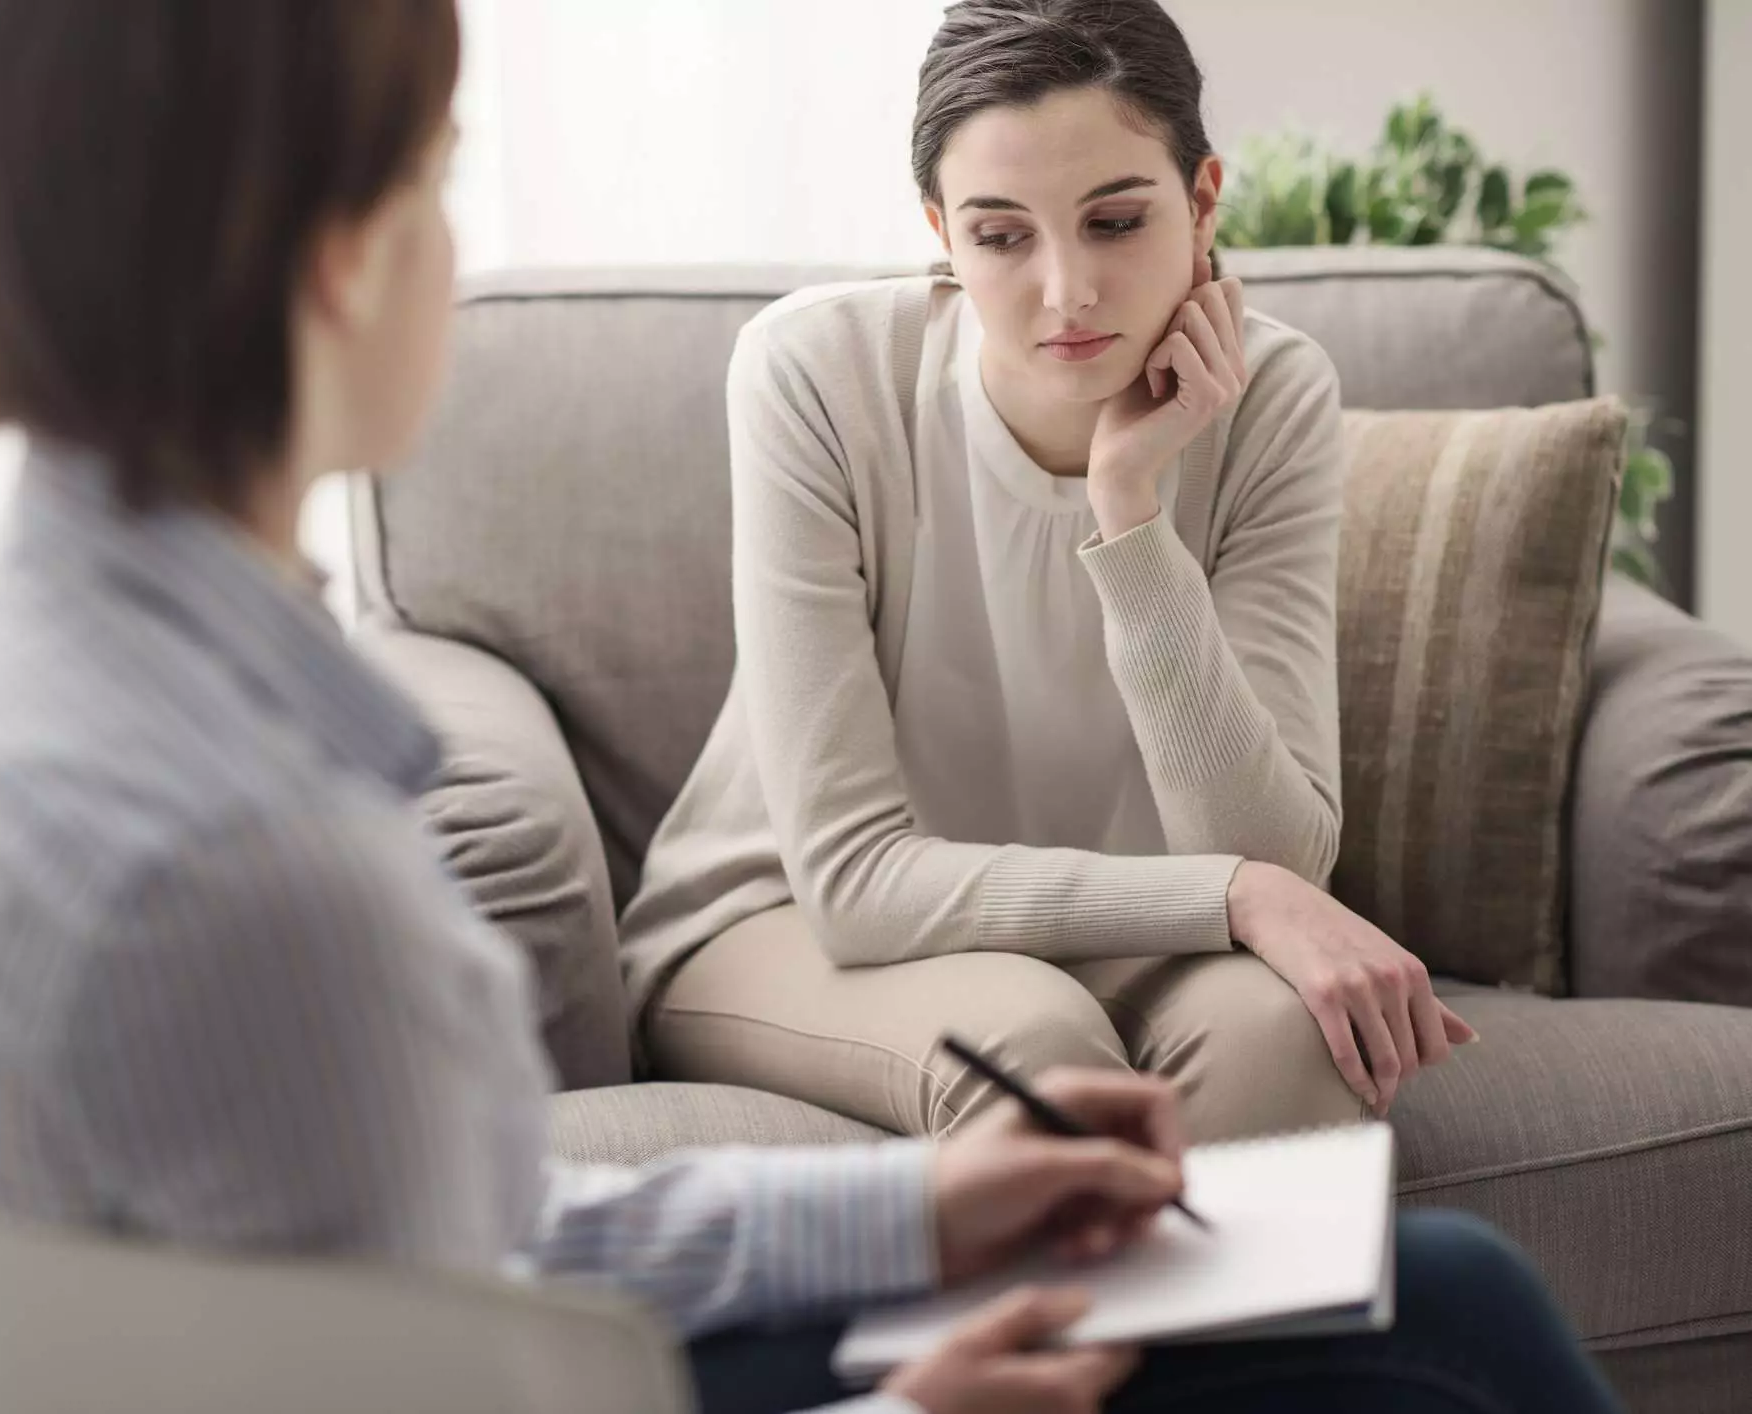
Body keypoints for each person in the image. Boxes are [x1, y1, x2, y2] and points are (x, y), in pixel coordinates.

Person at [0, 2, 1624, 1412]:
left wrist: (913, 1216)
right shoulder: (265, 874)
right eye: (435, 173)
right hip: (795, 994)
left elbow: (465, 1244)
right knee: (1456, 1307)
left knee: (1400, 1280)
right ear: (340, 262)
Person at [620, 0, 1473, 1144]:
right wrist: (1227, 897)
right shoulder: (813, 373)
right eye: (1001, 234)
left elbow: (1274, 852)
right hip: (787, 923)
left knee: (1293, 1042)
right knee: (1034, 1041)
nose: (1065, 290)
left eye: (1114, 221)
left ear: (1202, 198)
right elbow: (855, 880)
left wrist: (1128, 513)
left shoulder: (1274, 396)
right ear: (940, 228)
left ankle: (1242, 1331)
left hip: (1133, 934)